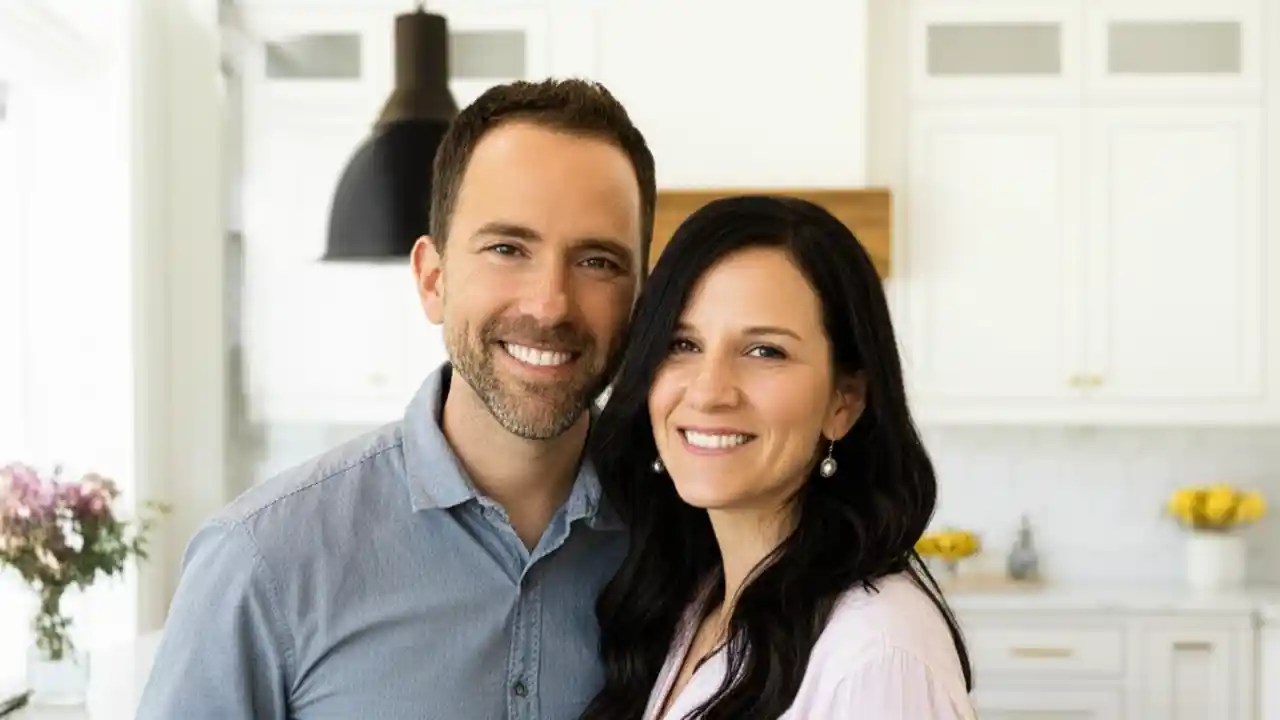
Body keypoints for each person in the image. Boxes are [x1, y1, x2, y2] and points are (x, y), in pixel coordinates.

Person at [137, 78, 656, 719]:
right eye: (506, 249)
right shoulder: (259, 562)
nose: (549, 305)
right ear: (432, 279)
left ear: (641, 299)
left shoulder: (681, 544)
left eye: (598, 261)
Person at [581, 195, 976, 719]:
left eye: (765, 351)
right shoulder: (698, 602)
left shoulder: (877, 651)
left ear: (845, 401)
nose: (708, 392)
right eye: (682, 344)